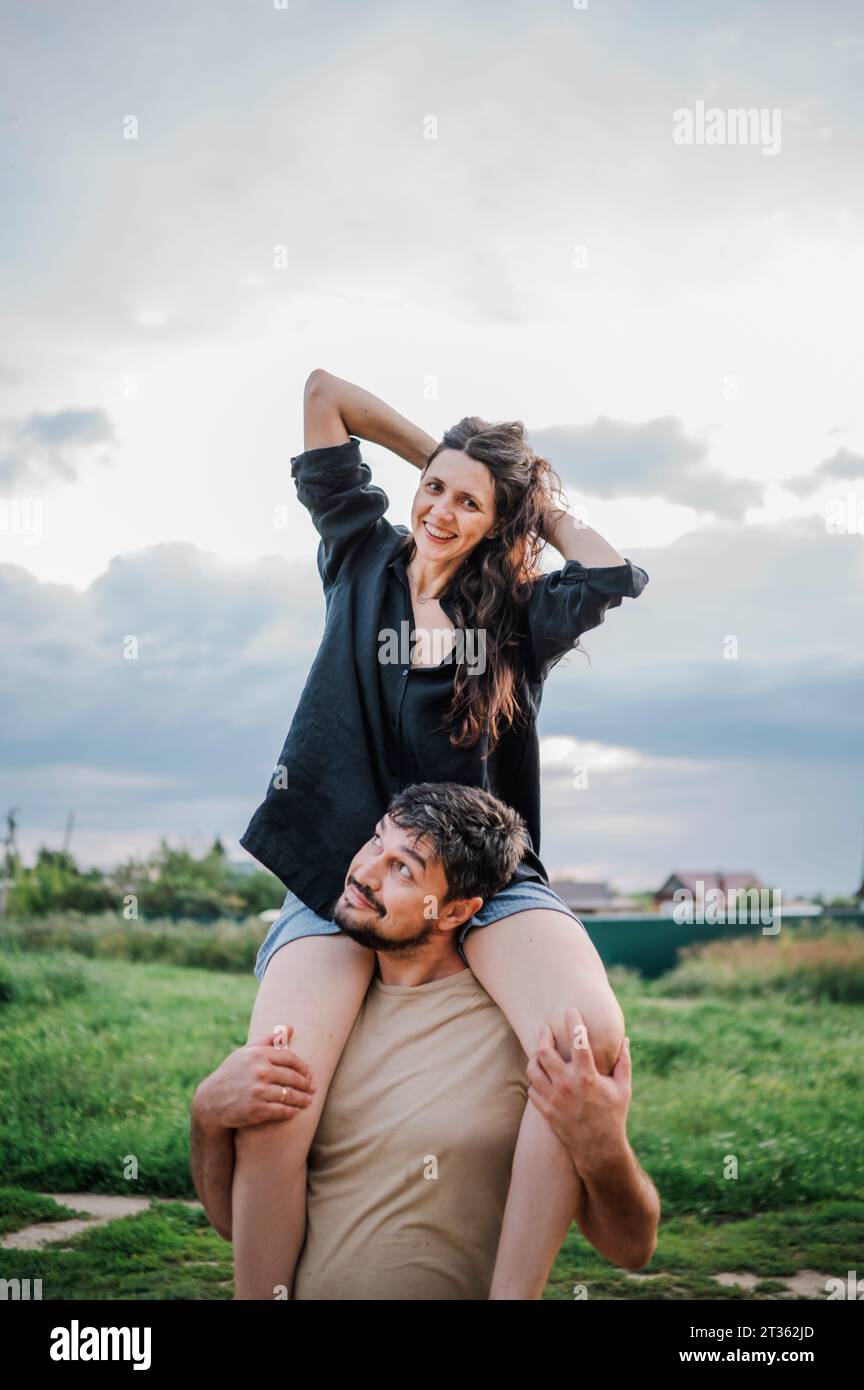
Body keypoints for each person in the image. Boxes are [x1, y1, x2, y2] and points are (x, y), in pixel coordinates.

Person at [236, 368, 650, 1299]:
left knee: (581, 1038)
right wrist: (445, 456)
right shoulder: (359, 553)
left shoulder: (512, 617)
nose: (440, 510)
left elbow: (612, 572)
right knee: (281, 1079)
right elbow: (323, 392)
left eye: (468, 503)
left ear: (496, 520)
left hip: (485, 876)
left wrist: (519, 508)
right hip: (340, 872)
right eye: (434, 491)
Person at [193, 783, 660, 1299]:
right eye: (375, 842)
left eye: (403, 869)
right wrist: (208, 1117)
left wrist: (604, 1146)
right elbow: (235, 1228)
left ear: (457, 911)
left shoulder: (529, 1036)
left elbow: (631, 1248)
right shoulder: (312, 1026)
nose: (365, 874)